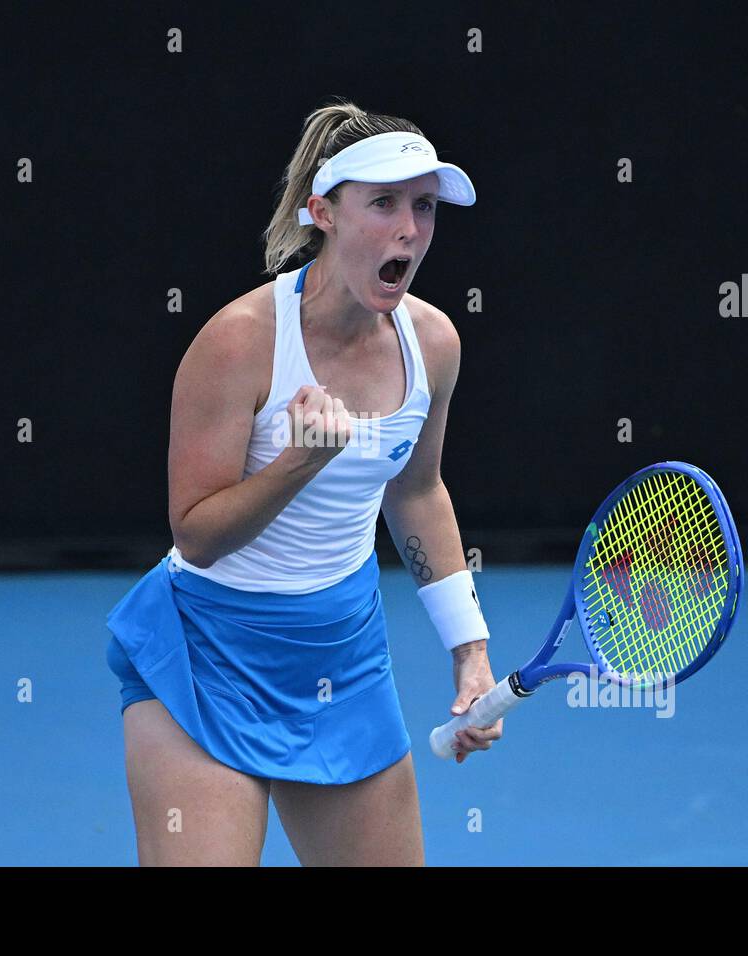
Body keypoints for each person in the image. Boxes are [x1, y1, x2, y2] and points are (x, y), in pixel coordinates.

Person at [106, 98, 501, 866]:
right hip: (206, 653)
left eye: (423, 207)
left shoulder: (433, 343)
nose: (409, 230)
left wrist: (468, 647)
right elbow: (195, 531)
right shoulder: (239, 342)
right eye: (383, 204)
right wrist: (298, 464)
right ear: (322, 211)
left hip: (341, 656)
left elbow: (417, 490)